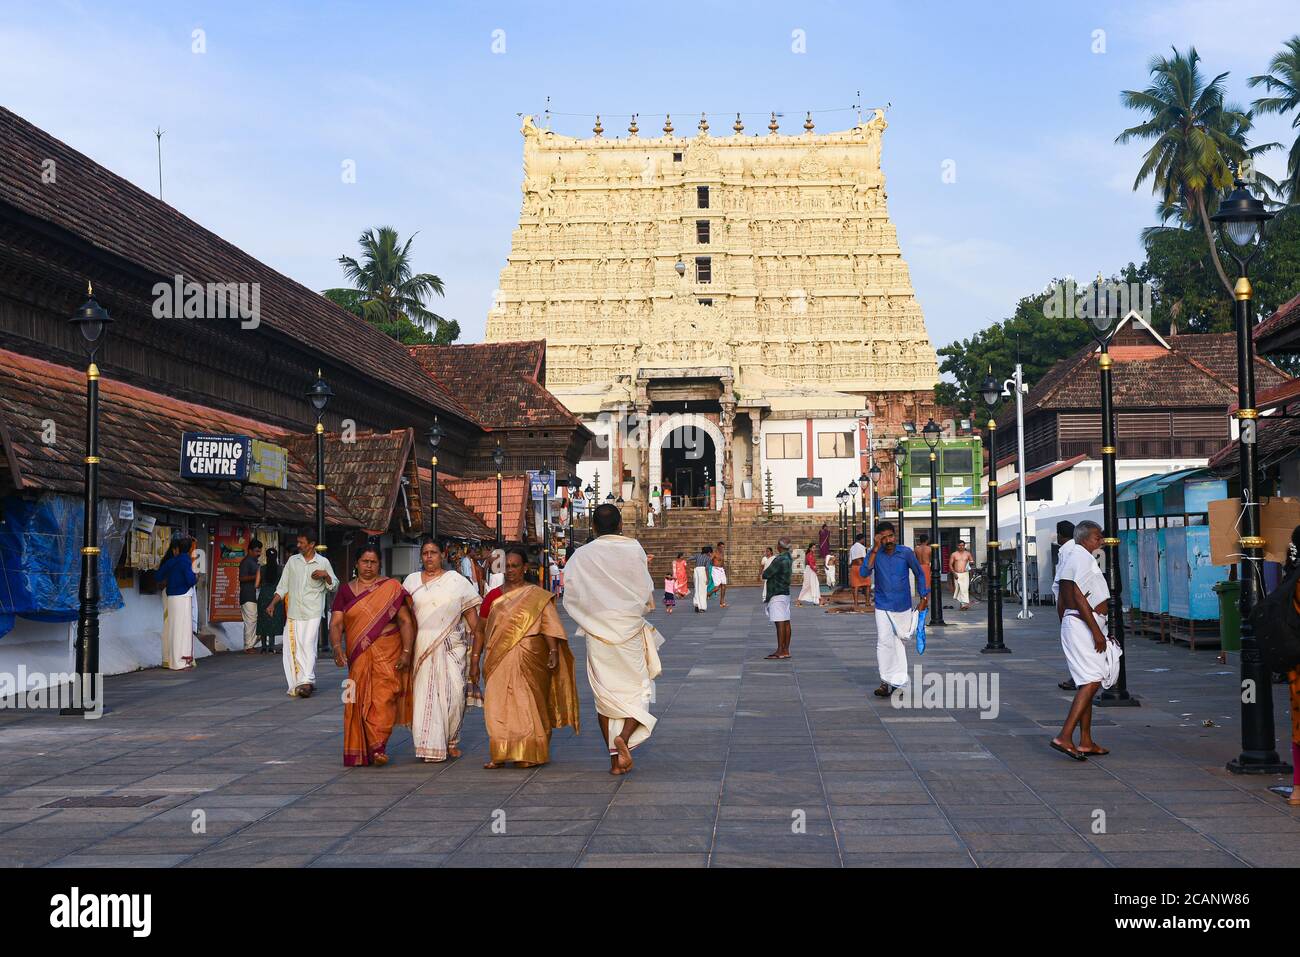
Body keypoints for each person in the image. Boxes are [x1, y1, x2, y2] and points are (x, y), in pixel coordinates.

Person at [563, 503, 663, 775]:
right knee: (640, 690)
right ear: (620, 525)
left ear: (593, 527)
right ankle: (625, 738)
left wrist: (590, 616)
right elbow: (645, 588)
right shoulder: (634, 548)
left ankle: (613, 761)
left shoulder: (582, 555)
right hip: (628, 628)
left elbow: (570, 591)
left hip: (598, 632)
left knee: (604, 697)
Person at [468, 545, 580, 768]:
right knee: (497, 704)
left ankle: (529, 752)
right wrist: (474, 660)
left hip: (531, 655)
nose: (510, 570)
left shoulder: (536, 595)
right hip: (497, 657)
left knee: (527, 703)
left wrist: (553, 651)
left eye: (515, 566)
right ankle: (500, 751)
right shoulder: (493, 596)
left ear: (524, 567)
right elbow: (479, 630)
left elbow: (550, 626)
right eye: (507, 566)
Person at [329, 545, 415, 767]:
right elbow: (337, 622)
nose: (368, 566)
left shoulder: (391, 587)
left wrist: (406, 652)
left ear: (380, 564)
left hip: (389, 650)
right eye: (364, 561)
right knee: (357, 698)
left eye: (373, 562)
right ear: (357, 564)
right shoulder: (346, 591)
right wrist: (337, 647)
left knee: (384, 697)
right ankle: (365, 747)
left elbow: (405, 621)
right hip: (358, 654)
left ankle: (379, 746)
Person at [403, 537, 482, 762]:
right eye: (425, 553)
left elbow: (475, 624)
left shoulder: (457, 581)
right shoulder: (410, 582)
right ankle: (427, 745)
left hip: (451, 648)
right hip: (420, 647)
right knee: (422, 698)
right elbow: (402, 619)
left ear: (442, 555)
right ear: (421, 556)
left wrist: (477, 655)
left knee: (454, 696)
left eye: (434, 552)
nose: (429, 557)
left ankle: (451, 740)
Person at [1051, 521, 1120, 761]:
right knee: (1092, 680)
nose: (1101, 542)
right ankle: (1065, 736)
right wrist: (1095, 631)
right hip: (1082, 624)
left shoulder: (1077, 556)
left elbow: (1066, 593)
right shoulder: (1079, 556)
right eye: (1097, 538)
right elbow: (1078, 595)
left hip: (1080, 623)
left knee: (1086, 682)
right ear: (1084, 538)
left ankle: (1086, 740)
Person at [267, 529, 339, 698]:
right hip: (294, 611)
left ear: (312, 544)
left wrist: (326, 576)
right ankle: (301, 681)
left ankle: (307, 680)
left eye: (302, 543)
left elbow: (334, 585)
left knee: (308, 643)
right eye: (298, 542)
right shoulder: (293, 561)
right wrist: (272, 604)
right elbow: (283, 586)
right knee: (295, 647)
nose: (298, 545)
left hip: (313, 611)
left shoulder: (323, 562)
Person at [863, 522, 929, 697]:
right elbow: (864, 572)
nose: (888, 540)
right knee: (884, 642)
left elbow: (919, 574)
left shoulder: (906, 553)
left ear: (895, 535)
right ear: (878, 538)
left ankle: (900, 682)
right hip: (882, 605)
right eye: (883, 537)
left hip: (903, 605)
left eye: (890, 536)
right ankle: (885, 682)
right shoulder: (875, 554)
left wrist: (924, 597)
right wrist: (875, 549)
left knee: (899, 643)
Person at [158, 537, 198, 670]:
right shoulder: (185, 561)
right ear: (190, 549)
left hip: (171, 596)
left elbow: (158, 576)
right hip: (183, 596)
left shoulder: (171, 561)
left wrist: (170, 579)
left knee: (172, 627)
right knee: (182, 629)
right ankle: (180, 661)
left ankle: (171, 660)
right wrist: (195, 578)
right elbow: (190, 580)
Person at [1053, 521, 1079, 691]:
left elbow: (1067, 582)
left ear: (1060, 535)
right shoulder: (1067, 550)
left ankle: (1078, 677)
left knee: (1074, 645)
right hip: (1067, 604)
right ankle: (1078, 676)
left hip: (1070, 606)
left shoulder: (1069, 551)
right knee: (1073, 644)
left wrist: (1064, 611)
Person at [762, 537, 794, 659]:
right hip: (785, 592)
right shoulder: (789, 557)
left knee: (779, 621)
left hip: (777, 592)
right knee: (786, 621)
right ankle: (786, 649)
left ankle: (780, 650)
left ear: (779, 547)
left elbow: (766, 574)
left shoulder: (780, 559)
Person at [256, 547, 285, 654]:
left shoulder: (261, 568)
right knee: (272, 619)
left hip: (263, 595)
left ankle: (264, 647)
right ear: (276, 557)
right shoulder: (281, 569)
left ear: (266, 557)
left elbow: (256, 584)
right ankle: (272, 646)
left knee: (263, 620)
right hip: (276, 596)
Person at [238, 538, 263, 655]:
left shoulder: (254, 562)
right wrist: (257, 576)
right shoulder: (246, 562)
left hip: (254, 595)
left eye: (260, 551)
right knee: (250, 621)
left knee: (254, 620)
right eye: (257, 551)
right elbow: (241, 578)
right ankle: (249, 646)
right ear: (250, 551)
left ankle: (251, 643)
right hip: (247, 595)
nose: (259, 554)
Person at [847, 533, 870, 612]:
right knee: (867, 585)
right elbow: (864, 558)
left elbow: (850, 561)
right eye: (864, 539)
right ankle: (867, 602)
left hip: (854, 567)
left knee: (855, 586)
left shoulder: (852, 547)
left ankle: (856, 603)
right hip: (861, 567)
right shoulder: (862, 547)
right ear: (862, 539)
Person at [950, 540, 973, 611]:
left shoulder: (968, 554)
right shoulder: (954, 554)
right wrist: (954, 573)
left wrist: (971, 563)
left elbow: (972, 561)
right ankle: (963, 604)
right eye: (960, 545)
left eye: (963, 545)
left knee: (964, 589)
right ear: (957, 546)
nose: (961, 547)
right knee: (958, 589)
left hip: (965, 574)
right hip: (957, 574)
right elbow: (950, 564)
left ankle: (964, 605)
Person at [693, 545, 712, 613]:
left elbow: (689, 559)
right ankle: (702, 607)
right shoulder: (708, 558)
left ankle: (696, 604)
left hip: (696, 571)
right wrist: (708, 578)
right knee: (703, 591)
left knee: (697, 589)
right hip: (702, 572)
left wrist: (689, 569)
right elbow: (706, 569)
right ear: (708, 552)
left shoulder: (697, 555)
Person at [712, 541, 729, 608]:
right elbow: (709, 560)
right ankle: (707, 595)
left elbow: (722, 562)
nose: (722, 548)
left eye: (723, 547)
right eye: (721, 547)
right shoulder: (714, 553)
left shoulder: (722, 553)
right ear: (718, 547)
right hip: (716, 569)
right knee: (717, 588)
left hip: (721, 570)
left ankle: (722, 602)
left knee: (724, 585)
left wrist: (724, 569)